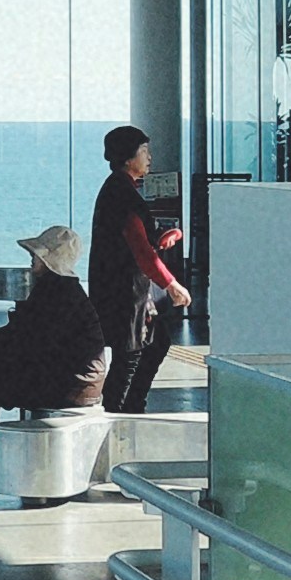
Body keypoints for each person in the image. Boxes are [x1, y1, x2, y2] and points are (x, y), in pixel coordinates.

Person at [0, 225, 108, 498]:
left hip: (71, 386)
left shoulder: (56, 292)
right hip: (74, 380)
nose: (32, 259)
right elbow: (26, 335)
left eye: (37, 255)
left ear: (50, 260)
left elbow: (29, 340)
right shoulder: (60, 289)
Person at [91, 124, 189, 413]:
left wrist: (163, 239)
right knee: (129, 354)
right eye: (144, 151)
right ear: (127, 157)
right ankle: (117, 414)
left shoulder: (118, 189)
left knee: (155, 343)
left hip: (123, 287)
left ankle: (132, 406)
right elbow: (139, 247)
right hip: (125, 289)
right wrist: (171, 284)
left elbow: (138, 240)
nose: (150, 157)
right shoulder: (122, 194)